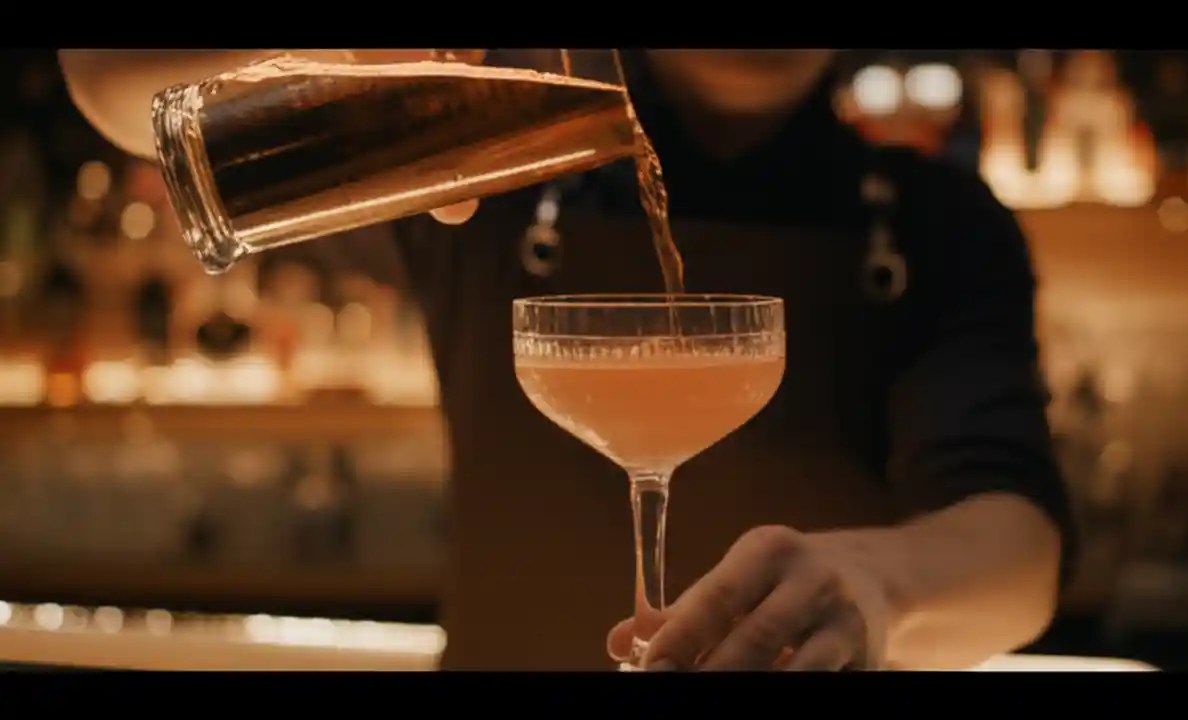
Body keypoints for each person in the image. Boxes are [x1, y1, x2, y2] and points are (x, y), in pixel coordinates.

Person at [60, 48, 1073, 671]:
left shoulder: (938, 222)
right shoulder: (484, 152)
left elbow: (1019, 552)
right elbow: (122, 90)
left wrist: (877, 587)